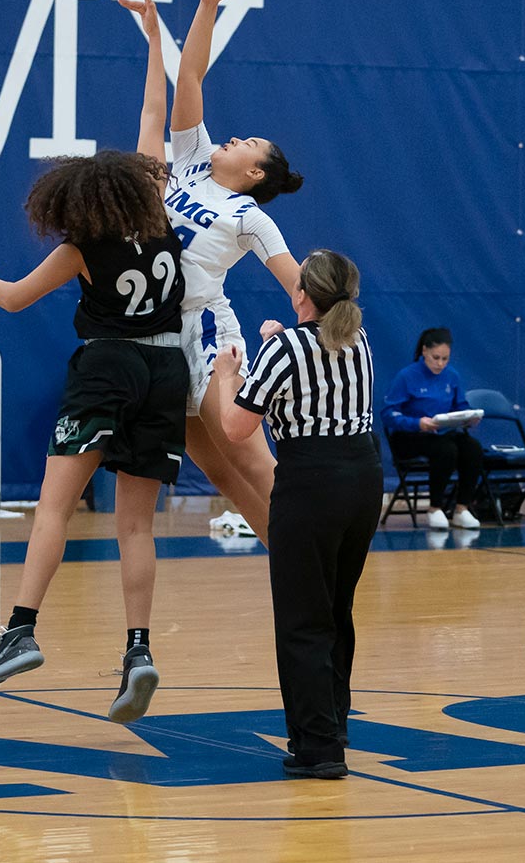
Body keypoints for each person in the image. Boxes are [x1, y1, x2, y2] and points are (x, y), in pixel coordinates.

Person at [0, 0, 189, 722]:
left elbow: (14, 299)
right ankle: (140, 648)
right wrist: (155, 35)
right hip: (167, 368)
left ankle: (20, 630)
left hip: (107, 365)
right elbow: (154, 111)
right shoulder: (159, 208)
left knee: (54, 507)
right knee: (136, 523)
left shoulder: (80, 246)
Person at [212, 249, 379, 780]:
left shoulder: (284, 348)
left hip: (310, 482)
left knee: (302, 619)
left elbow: (237, 430)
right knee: (335, 609)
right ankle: (333, 723)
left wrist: (227, 376)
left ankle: (318, 747)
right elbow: (314, 375)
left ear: (301, 294)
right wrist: (273, 344)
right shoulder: (358, 337)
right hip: (363, 476)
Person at [157, 0, 305, 544]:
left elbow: (299, 286)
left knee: (254, 465)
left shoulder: (250, 217)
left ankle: (315, 569)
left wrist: (313, 339)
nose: (234, 138)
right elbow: (189, 74)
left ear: (256, 171)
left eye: (247, 143)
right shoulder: (192, 159)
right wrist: (207, 3)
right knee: (218, 470)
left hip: (210, 334)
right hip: (164, 335)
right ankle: (285, 567)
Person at [381, 327, 482, 530]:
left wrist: (469, 416)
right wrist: (417, 423)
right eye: (436, 358)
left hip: (443, 432)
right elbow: (388, 413)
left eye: (445, 359)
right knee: (446, 450)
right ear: (425, 351)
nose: (440, 363)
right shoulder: (407, 376)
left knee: (473, 448)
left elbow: (460, 405)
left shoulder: (451, 376)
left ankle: (462, 508)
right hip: (411, 435)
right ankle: (435, 508)